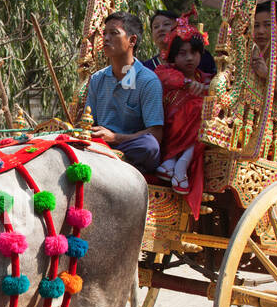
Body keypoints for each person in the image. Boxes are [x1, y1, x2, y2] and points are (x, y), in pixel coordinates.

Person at [84, 11, 164, 171]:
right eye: (104, 33)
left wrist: (115, 138)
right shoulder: (97, 79)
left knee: (149, 146)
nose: (106, 38)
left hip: (131, 147)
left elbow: (156, 134)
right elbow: (88, 122)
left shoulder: (147, 81)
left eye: (113, 33)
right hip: (100, 144)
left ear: (132, 40)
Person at [153, 23, 211, 196]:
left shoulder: (206, 78)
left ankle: (180, 164)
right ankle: (173, 160)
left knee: (207, 114)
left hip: (197, 131)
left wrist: (206, 88)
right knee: (198, 108)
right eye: (182, 53)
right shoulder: (166, 71)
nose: (189, 58)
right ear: (173, 56)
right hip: (171, 128)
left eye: (193, 53)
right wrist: (189, 84)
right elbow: (166, 78)